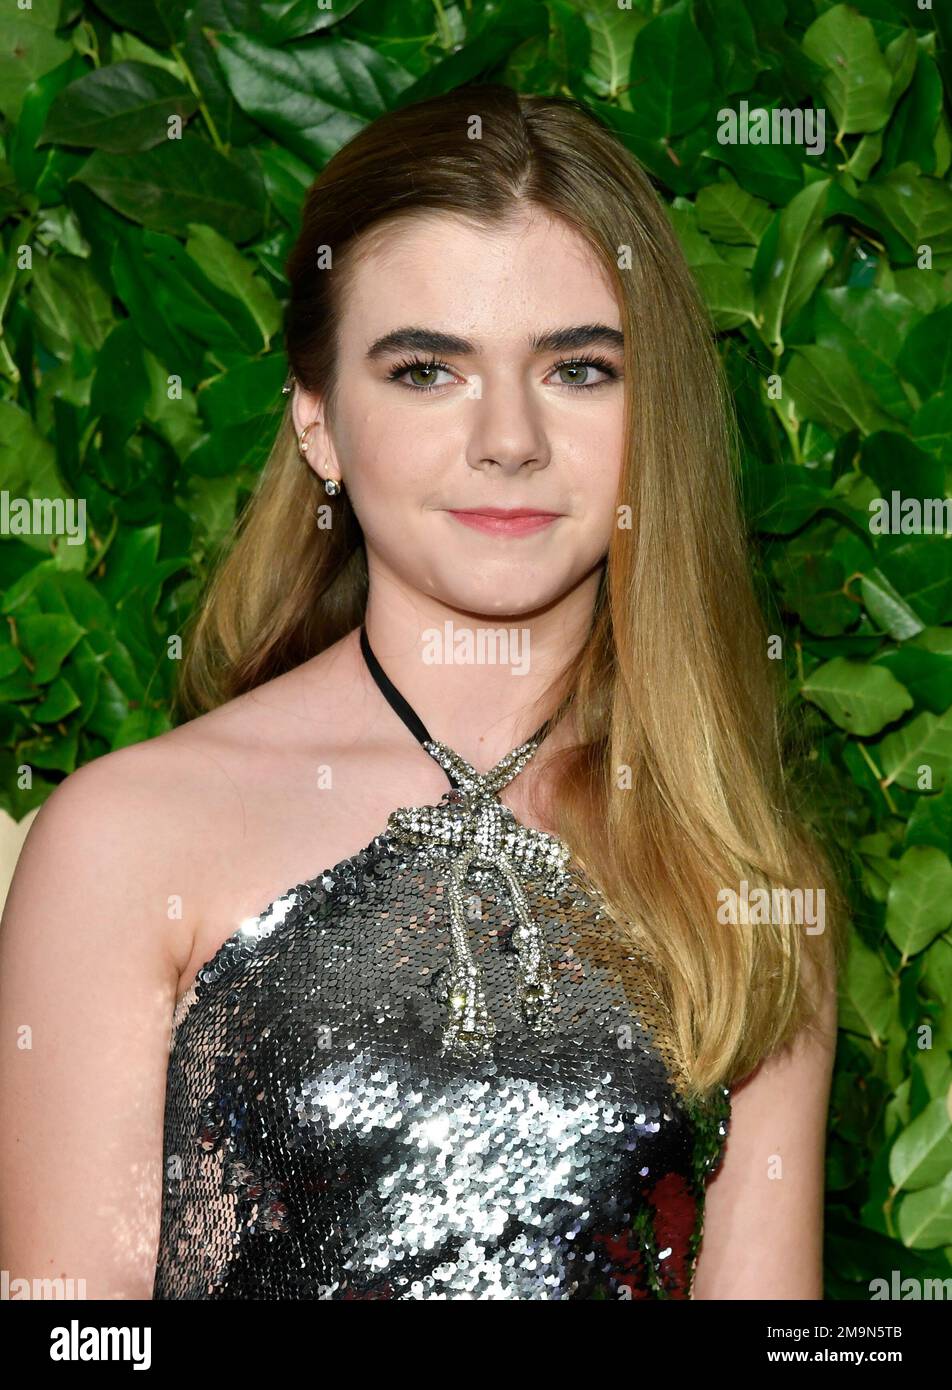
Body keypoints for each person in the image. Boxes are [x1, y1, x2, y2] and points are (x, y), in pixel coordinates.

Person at [0, 82, 842, 1301]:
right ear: (316, 424)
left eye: (579, 369)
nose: (508, 438)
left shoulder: (744, 867)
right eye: (426, 370)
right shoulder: (126, 838)